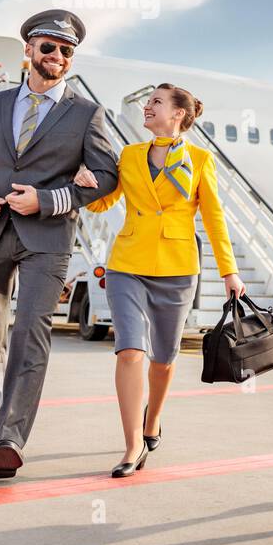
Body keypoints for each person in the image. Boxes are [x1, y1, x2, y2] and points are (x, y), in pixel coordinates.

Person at [0, 11, 118, 477]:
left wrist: (47, 200)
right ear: (28, 51)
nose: (58, 57)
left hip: (48, 238)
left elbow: (105, 176)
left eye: (67, 51)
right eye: (49, 48)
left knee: (31, 332)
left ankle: (11, 437)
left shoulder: (87, 113)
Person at [82, 84, 244, 477]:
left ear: (178, 114)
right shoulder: (130, 155)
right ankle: (132, 444)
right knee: (129, 351)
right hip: (128, 263)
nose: (147, 107)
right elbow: (107, 201)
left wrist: (229, 270)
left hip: (176, 267)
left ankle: (152, 417)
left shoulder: (201, 160)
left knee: (164, 358)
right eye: (148, 101)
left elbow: (214, 218)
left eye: (156, 102)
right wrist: (88, 186)